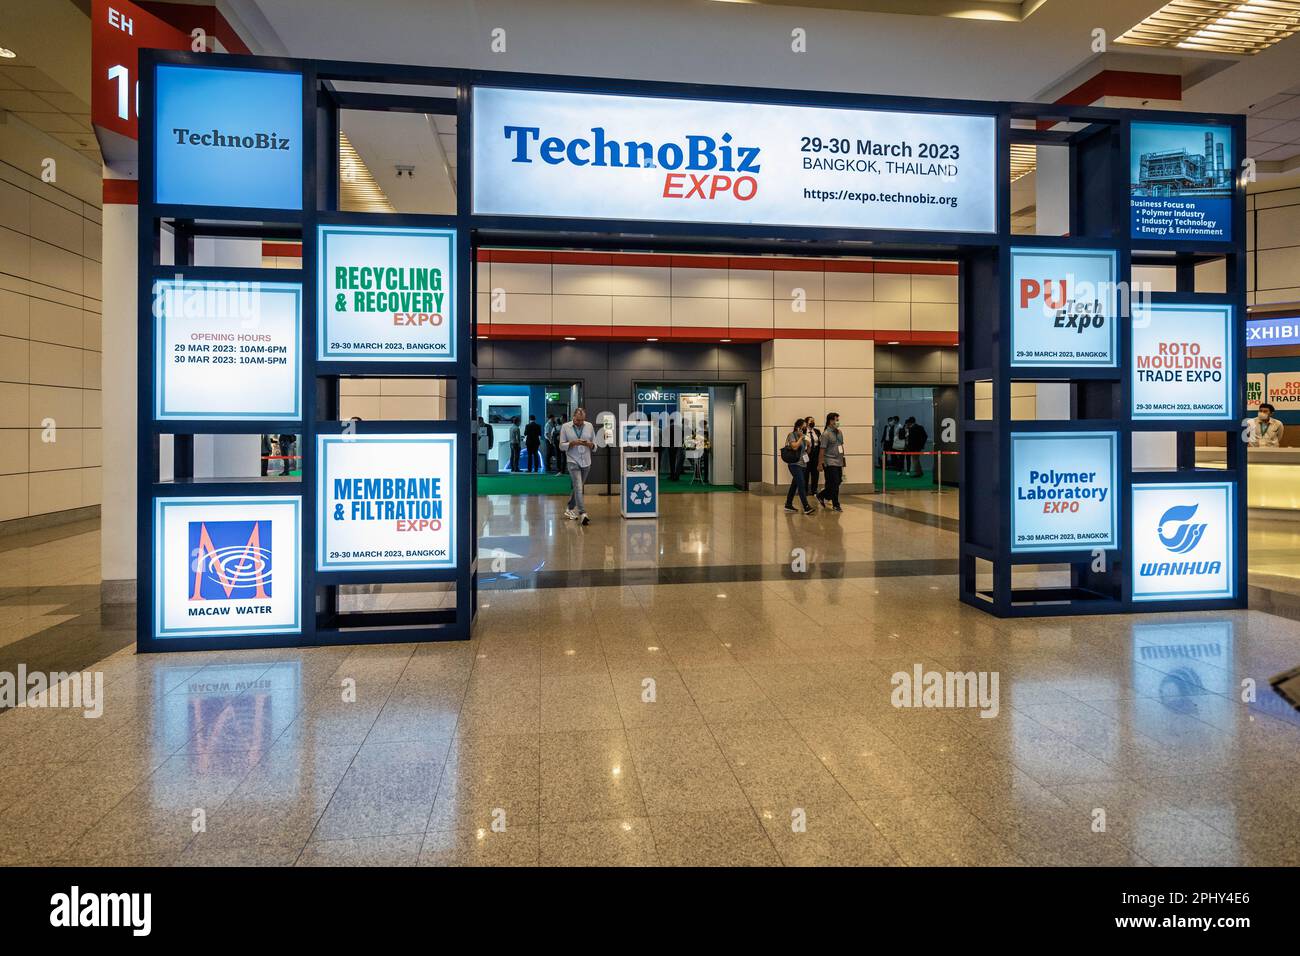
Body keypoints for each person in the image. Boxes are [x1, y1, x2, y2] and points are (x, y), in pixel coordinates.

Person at [560, 406, 596, 525]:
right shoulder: (565, 427)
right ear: (573, 417)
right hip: (572, 460)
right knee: (579, 487)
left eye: (582, 420)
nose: (580, 423)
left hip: (586, 461)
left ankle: (569, 509)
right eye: (577, 420)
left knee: (577, 487)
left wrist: (591, 445)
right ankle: (583, 513)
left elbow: (595, 446)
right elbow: (561, 446)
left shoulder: (589, 426)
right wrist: (572, 443)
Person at [783, 418, 815, 515]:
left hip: (803, 464)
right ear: (798, 427)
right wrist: (801, 438)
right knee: (801, 484)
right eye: (803, 427)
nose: (805, 429)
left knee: (795, 484)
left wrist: (809, 446)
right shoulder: (791, 435)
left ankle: (788, 504)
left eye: (805, 427)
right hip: (794, 464)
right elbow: (794, 447)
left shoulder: (804, 437)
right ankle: (806, 507)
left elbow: (806, 452)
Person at [817, 411, 845, 512]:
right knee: (835, 482)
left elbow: (841, 446)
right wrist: (820, 463)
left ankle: (822, 495)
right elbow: (822, 450)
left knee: (836, 482)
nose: (837, 422)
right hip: (829, 462)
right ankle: (836, 504)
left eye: (838, 420)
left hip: (839, 461)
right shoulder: (826, 434)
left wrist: (843, 460)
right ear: (830, 421)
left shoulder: (840, 432)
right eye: (836, 420)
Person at [803, 415, 822, 501]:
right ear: (806, 423)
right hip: (806, 454)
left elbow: (820, 442)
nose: (812, 423)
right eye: (811, 421)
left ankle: (814, 490)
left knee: (815, 473)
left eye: (813, 421)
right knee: (805, 472)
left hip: (816, 454)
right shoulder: (803, 431)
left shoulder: (817, 431)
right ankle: (805, 490)